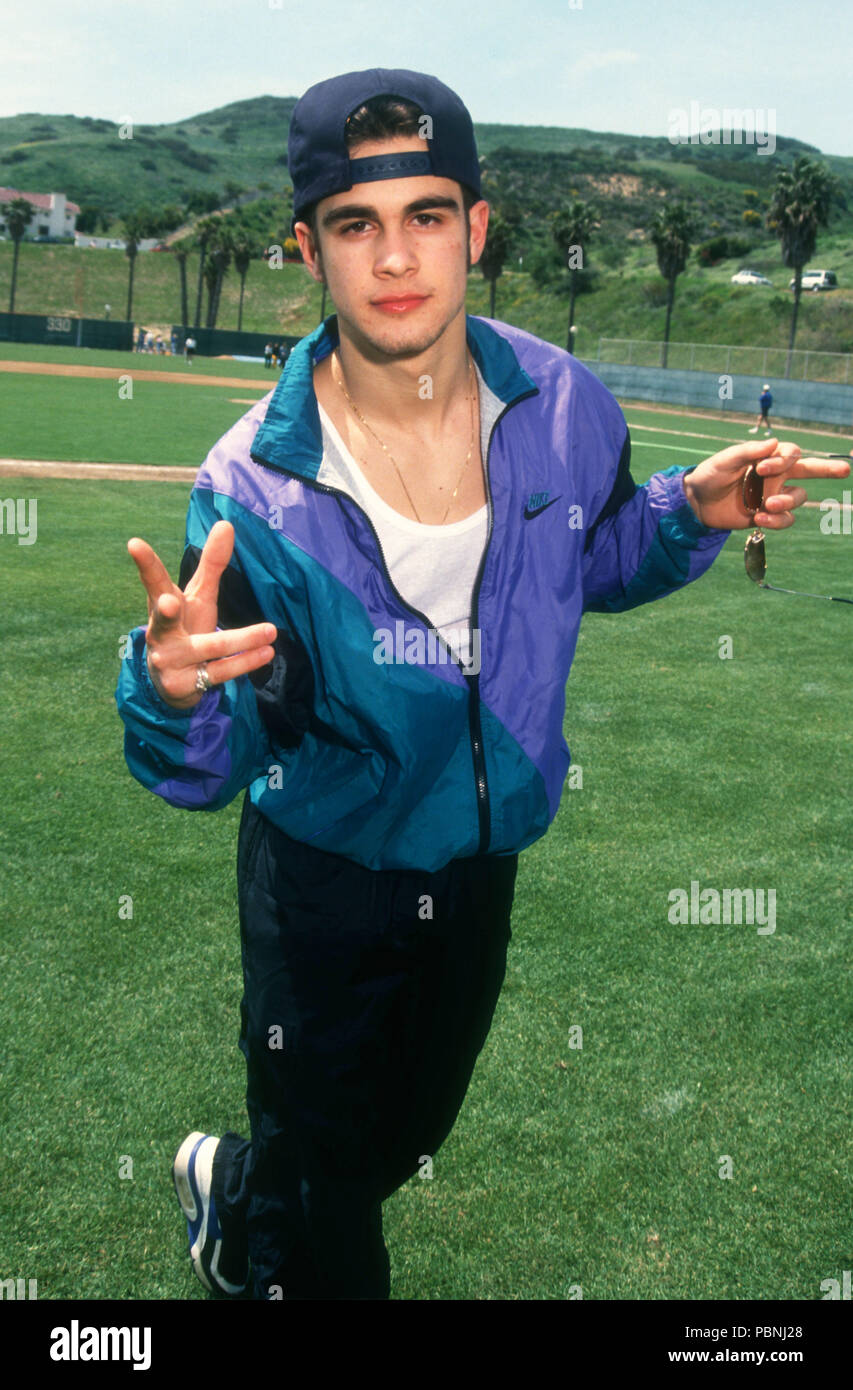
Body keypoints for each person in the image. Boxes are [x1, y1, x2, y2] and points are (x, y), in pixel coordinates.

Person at [115, 68, 847, 1302]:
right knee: (338, 1211)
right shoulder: (251, 487)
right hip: (324, 885)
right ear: (309, 248)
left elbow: (590, 559)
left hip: (480, 859)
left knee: (398, 1142)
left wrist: (685, 513)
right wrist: (171, 692)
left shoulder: (564, 404)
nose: (396, 257)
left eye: (428, 215)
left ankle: (238, 1193)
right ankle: (277, 1224)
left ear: (478, 228)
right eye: (356, 224)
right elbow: (221, 741)